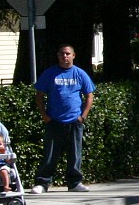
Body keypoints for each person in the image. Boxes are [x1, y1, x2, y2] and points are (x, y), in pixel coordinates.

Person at [31, 44, 96, 194]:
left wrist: (83, 116)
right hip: (54, 120)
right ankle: (43, 183)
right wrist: (45, 116)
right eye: (61, 54)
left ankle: (74, 183)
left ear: (73, 55)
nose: (64, 56)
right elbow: (39, 96)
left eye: (67, 54)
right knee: (50, 153)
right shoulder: (50, 73)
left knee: (75, 154)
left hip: (74, 120)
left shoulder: (80, 74)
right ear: (58, 56)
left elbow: (89, 95)